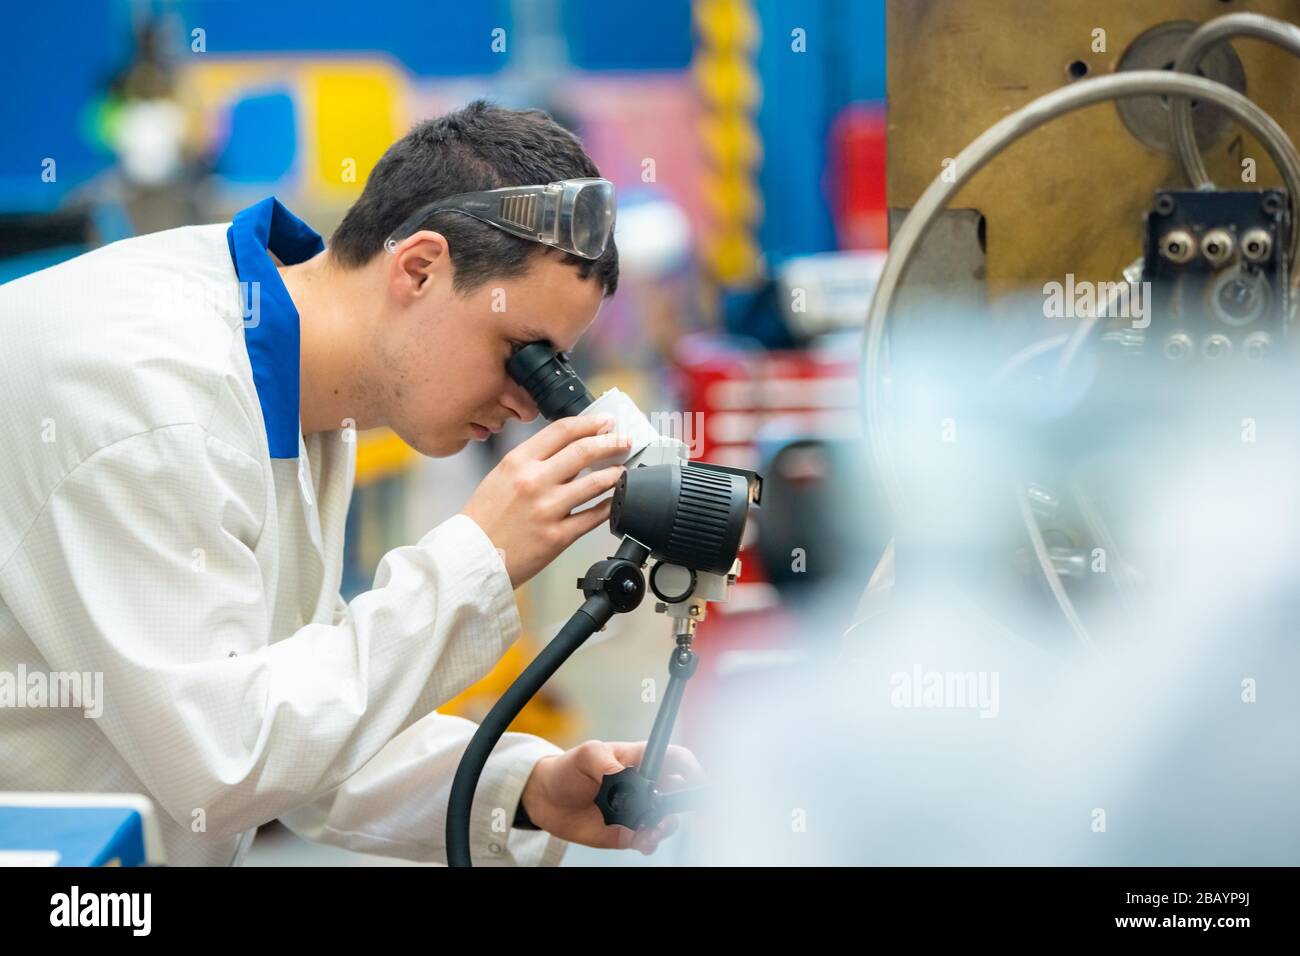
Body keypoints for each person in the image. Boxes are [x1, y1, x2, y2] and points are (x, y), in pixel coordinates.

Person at [0, 100, 700, 866]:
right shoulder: (154, 401)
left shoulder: (286, 371)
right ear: (419, 267)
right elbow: (224, 762)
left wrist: (525, 785)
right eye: (521, 350)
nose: (531, 400)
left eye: (553, 368)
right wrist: (478, 558)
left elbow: (296, 725)